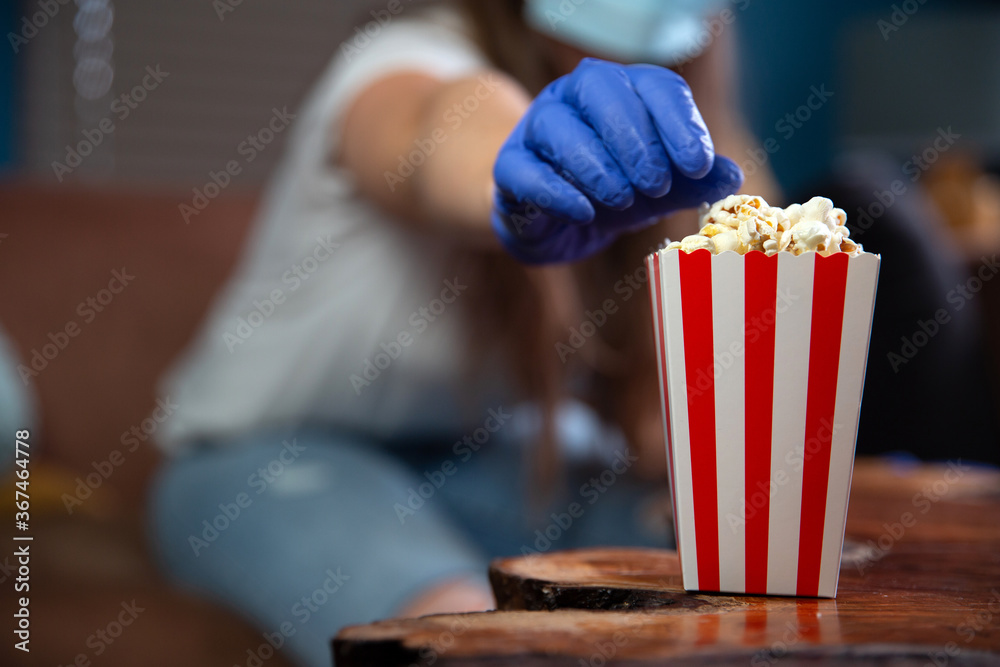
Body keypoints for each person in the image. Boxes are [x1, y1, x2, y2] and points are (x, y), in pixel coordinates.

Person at [149, 1, 776, 665]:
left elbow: (697, 400)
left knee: (727, 576)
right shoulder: (402, 58)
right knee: (469, 633)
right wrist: (514, 166)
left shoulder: (698, 122)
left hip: (504, 472)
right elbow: (441, 130)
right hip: (276, 461)